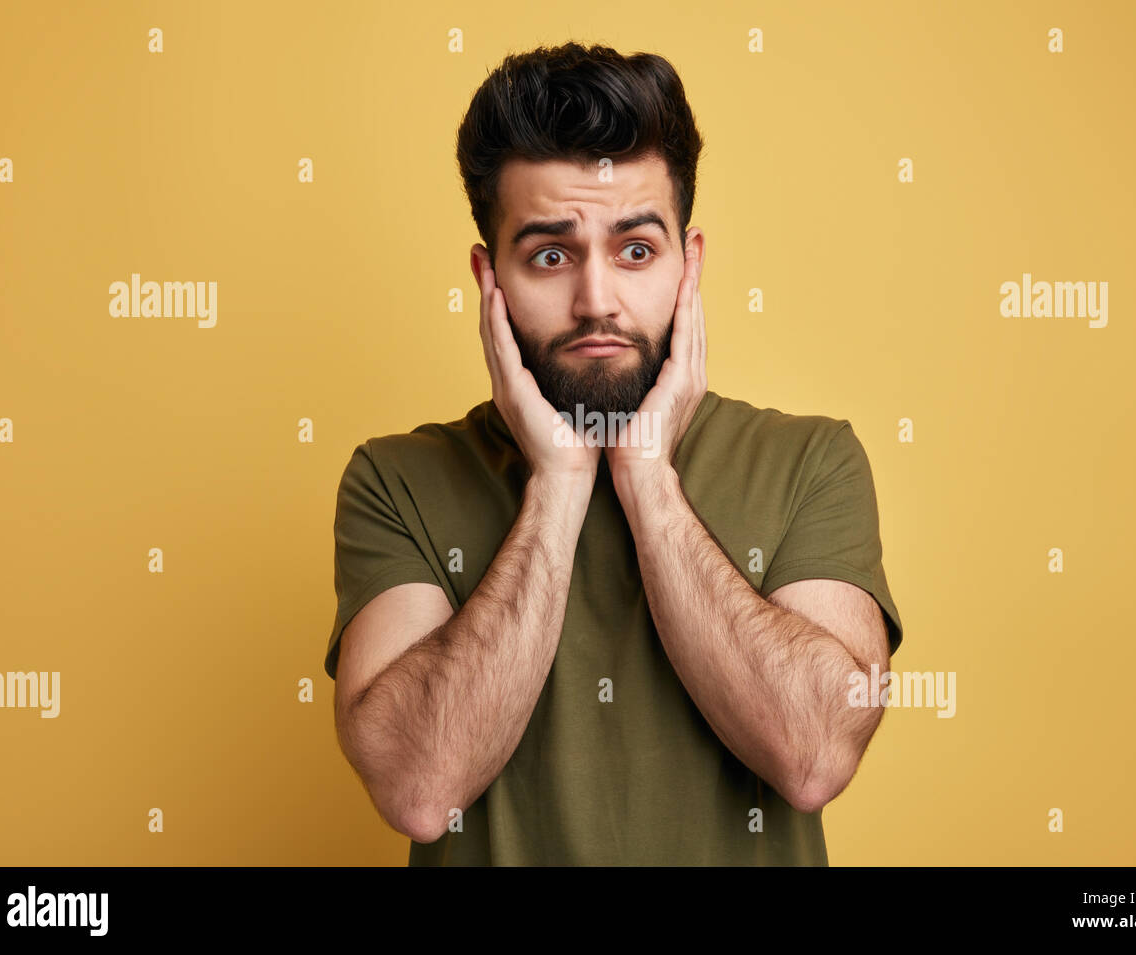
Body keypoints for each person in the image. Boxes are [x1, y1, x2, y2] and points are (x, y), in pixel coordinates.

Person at [324, 41, 903, 865]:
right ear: (489, 279)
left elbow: (814, 757)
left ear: (687, 266)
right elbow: (419, 789)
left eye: (635, 250)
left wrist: (646, 477)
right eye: (550, 255)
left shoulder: (812, 461)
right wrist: (559, 484)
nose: (597, 301)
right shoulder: (396, 482)